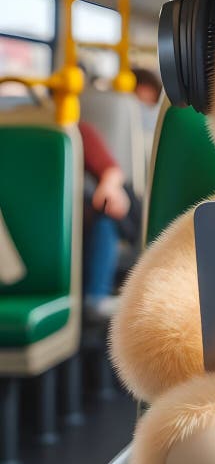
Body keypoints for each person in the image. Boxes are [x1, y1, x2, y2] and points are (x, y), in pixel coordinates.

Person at [79, 120, 130, 320]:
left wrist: (109, 188)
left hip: (84, 215)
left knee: (105, 207)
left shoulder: (74, 130)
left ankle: (96, 296)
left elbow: (110, 171)